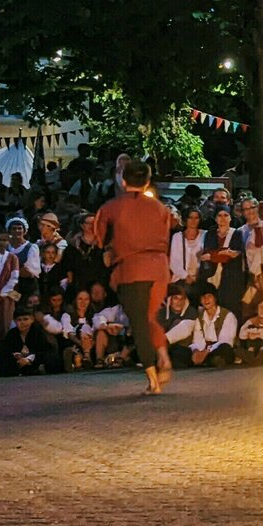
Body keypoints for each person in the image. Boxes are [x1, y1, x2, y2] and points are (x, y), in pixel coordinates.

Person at [86, 160, 179, 394]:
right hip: (159, 267)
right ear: (147, 181)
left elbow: (99, 237)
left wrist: (110, 247)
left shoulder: (112, 207)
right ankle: (162, 355)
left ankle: (153, 378)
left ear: (123, 180)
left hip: (131, 269)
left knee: (139, 322)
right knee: (148, 317)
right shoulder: (160, 208)